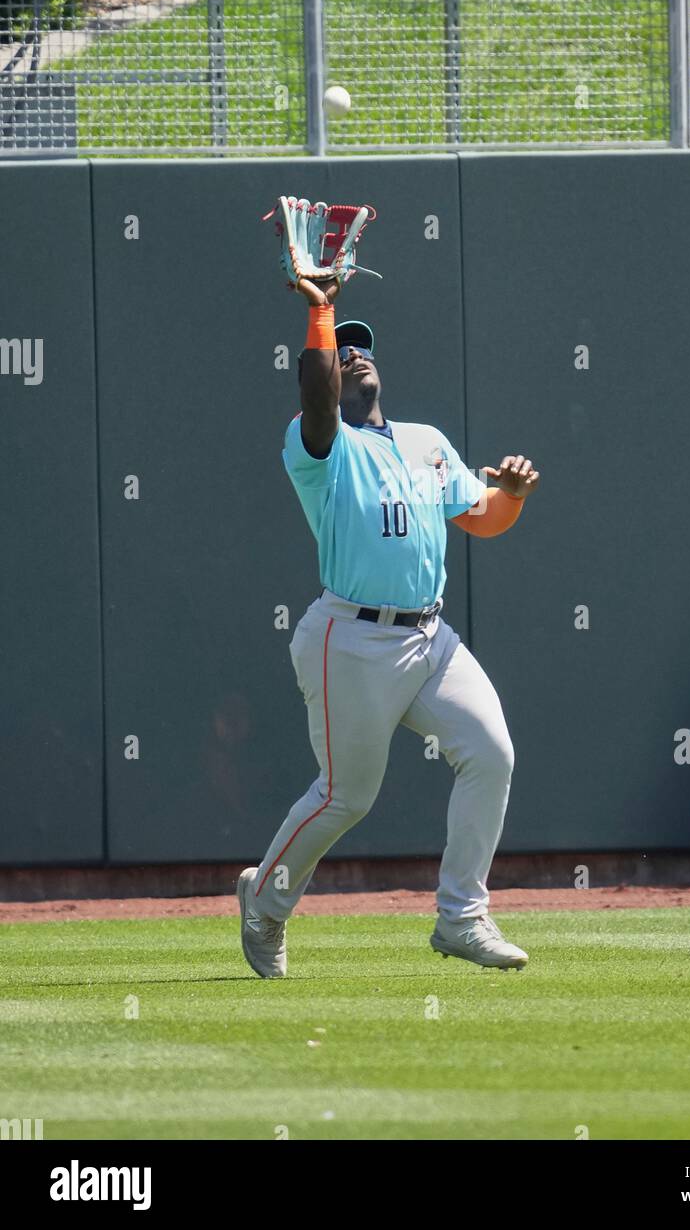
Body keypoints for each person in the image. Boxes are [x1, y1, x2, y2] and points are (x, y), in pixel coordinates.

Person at [237, 277, 540, 976]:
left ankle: (461, 917)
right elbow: (316, 397)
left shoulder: (426, 442)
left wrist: (513, 497)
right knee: (347, 797)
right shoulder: (322, 447)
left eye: (362, 348)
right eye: (341, 352)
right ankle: (266, 905)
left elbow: (484, 517)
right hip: (352, 639)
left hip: (430, 638)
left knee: (492, 751)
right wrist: (321, 309)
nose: (354, 356)